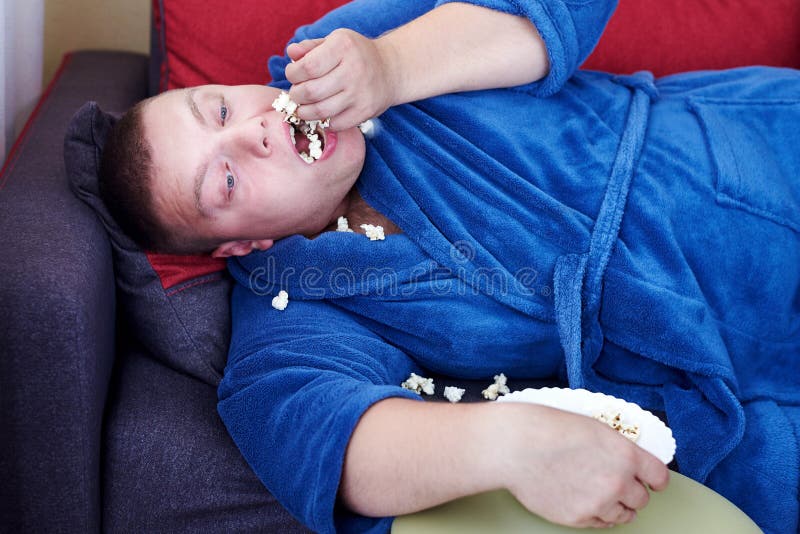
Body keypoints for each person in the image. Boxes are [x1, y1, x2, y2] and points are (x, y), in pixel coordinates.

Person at [98, 0, 800, 532]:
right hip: (738, 366)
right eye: (224, 181)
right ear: (239, 247)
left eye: (220, 108)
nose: (250, 131)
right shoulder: (302, 305)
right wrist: (507, 445)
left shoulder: (342, 49)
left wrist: (395, 65)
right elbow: (314, 431)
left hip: (752, 159)